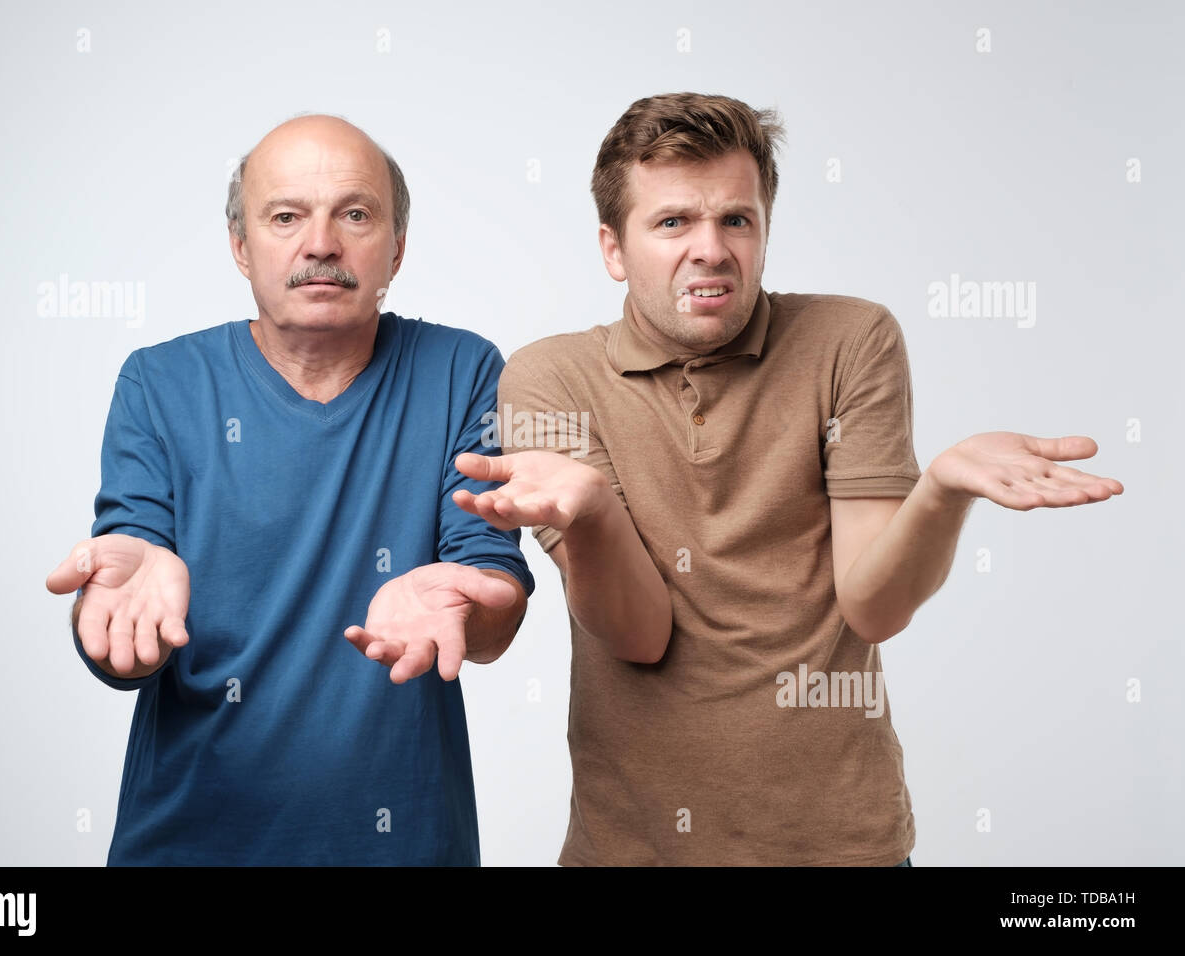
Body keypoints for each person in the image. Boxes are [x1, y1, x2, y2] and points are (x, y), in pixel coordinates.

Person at [448, 92, 1123, 865]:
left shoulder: (851, 341)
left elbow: (873, 607)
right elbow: (640, 635)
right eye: (672, 223)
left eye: (736, 219)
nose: (710, 249)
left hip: (842, 847)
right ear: (612, 248)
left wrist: (939, 491)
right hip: (634, 850)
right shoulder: (550, 377)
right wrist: (594, 514)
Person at [44, 114, 534, 865]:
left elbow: (490, 605)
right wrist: (121, 623)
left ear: (397, 247)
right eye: (286, 217)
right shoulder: (160, 383)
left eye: (356, 214)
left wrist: (467, 602)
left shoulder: (463, 372)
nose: (321, 244)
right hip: (188, 845)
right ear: (242, 247)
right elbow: (125, 620)